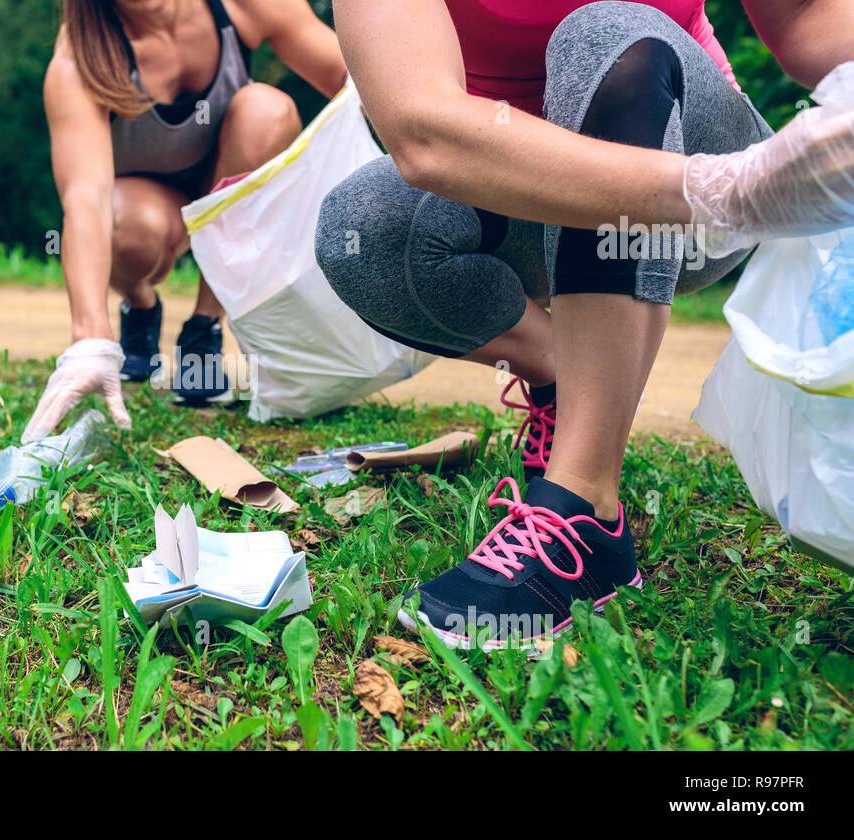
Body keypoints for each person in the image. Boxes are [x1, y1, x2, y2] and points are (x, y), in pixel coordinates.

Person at [315, 0, 854, 648]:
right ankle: (569, 384)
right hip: (649, 186)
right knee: (362, 228)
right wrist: (723, 188)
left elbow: (806, 16)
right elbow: (422, 128)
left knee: (607, 34)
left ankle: (583, 503)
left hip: (684, 145)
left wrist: (747, 180)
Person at [23, 0, 347, 441]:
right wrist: (89, 341)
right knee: (126, 226)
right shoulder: (79, 60)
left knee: (267, 111)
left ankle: (203, 332)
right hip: (145, 205)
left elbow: (357, 87)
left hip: (228, 184)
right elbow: (87, 199)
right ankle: (139, 306)